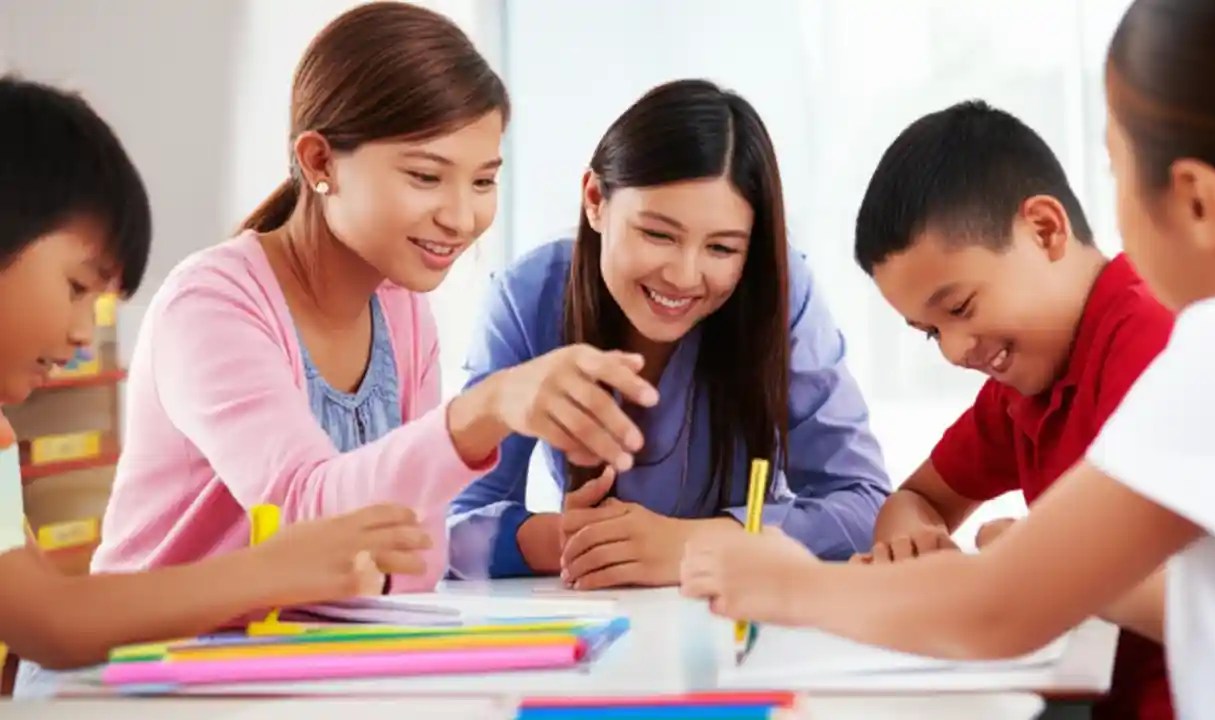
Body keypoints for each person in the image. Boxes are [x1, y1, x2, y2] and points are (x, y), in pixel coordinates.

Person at [681, 1, 1215, 717]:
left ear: (1197, 201)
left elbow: (1002, 607)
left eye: (1115, 168)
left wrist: (786, 584)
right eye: (931, 331)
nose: (958, 350)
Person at [91, 1, 658, 594]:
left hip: (287, 660)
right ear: (319, 162)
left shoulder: (403, 313)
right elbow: (304, 520)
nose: (462, 217)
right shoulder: (211, 305)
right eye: (425, 176)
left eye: (484, 180)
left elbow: (420, 558)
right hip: (134, 672)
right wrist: (482, 412)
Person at [0, 75, 428, 671]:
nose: (81, 333)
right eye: (76, 287)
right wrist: (272, 569)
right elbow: (54, 623)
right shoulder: (212, 299)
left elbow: (38, 608)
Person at [449, 80, 889, 589]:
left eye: (722, 249)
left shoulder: (779, 291)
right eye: (658, 234)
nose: (683, 275)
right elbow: (448, 525)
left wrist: (691, 545)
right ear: (595, 199)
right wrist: (573, 540)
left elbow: (865, 504)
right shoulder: (528, 296)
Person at [849, 100, 1172, 718]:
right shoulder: (1020, 388)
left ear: (1045, 230)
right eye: (928, 332)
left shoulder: (1155, 340)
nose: (954, 350)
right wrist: (912, 543)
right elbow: (915, 499)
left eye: (962, 308)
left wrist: (1037, 562)